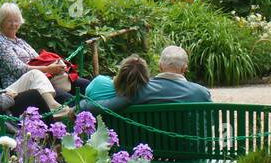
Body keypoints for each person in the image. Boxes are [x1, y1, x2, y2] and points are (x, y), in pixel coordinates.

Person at [0, 2, 87, 98]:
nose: (14, 24)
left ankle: (97, 111)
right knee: (67, 98)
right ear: (1, 22)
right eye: (9, 21)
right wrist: (49, 69)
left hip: (42, 81)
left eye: (16, 20)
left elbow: (38, 59)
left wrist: (56, 66)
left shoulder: (20, 41)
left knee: (84, 84)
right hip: (21, 88)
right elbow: (19, 70)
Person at [83, 46, 211, 113]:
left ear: (160, 66)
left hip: (156, 149)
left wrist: (79, 106)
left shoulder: (139, 90)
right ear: (185, 68)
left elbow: (104, 106)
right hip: (192, 149)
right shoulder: (201, 93)